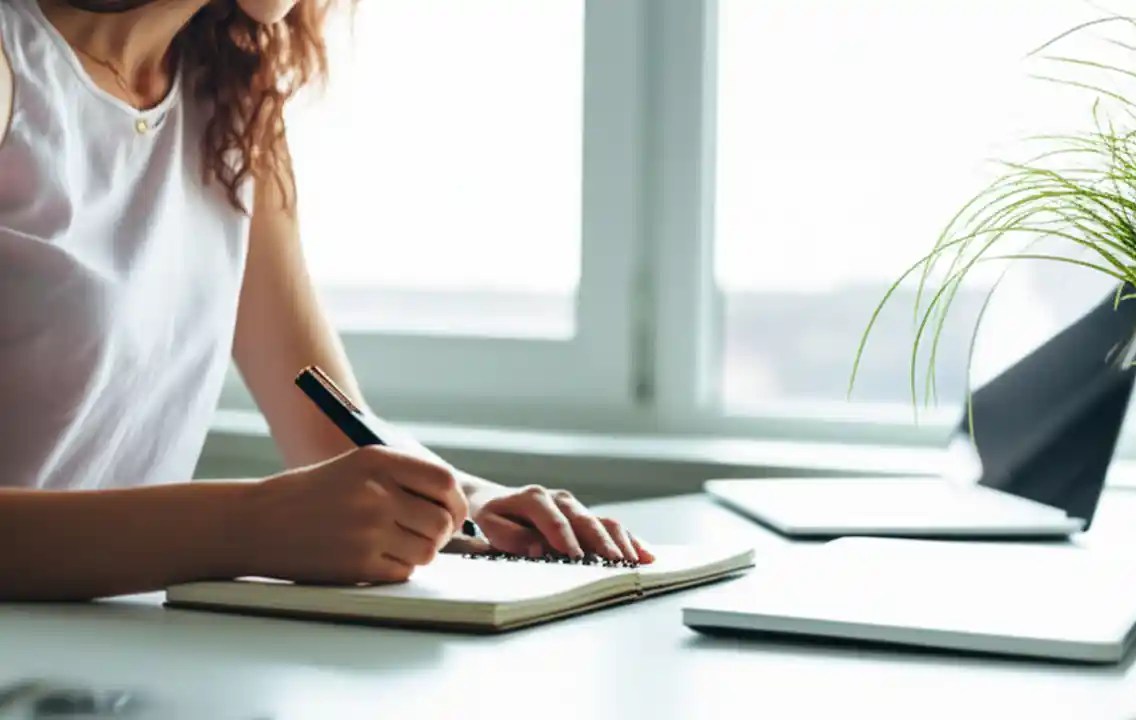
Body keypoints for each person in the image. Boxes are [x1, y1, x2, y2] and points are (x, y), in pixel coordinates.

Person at [0, 0, 653, 601]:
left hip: (109, 669)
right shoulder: (12, 66)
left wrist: (472, 503)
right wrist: (246, 526)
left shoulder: (226, 103)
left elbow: (334, 429)